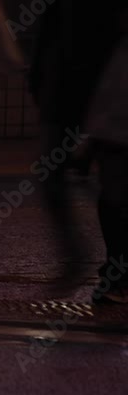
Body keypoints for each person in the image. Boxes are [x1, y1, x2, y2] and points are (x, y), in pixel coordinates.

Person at [29, 0, 124, 288]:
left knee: (113, 187)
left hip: (94, 97)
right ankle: (102, 266)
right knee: (104, 184)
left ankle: (108, 268)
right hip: (75, 96)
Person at [83, 12, 128, 304]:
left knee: (113, 199)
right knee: (113, 199)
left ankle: (117, 274)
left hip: (113, 128)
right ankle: (117, 273)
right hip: (113, 128)